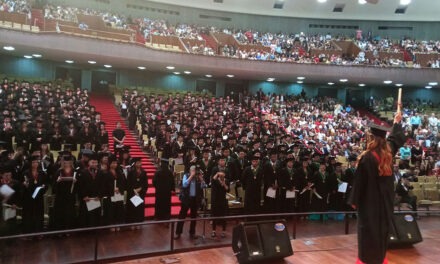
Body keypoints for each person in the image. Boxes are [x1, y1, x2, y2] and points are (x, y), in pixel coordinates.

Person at [349, 111, 405, 264]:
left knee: (368, 233)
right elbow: (396, 140)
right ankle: (379, 259)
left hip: (369, 204)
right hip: (385, 204)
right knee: (381, 232)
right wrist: (397, 122)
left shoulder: (367, 158)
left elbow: (359, 182)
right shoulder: (388, 154)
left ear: (371, 138)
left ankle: (368, 260)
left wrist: (354, 200)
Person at [175, 165, 205, 239]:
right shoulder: (186, 175)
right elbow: (184, 185)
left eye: (195, 170)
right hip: (186, 199)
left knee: (193, 217)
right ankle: (178, 233)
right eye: (193, 170)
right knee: (182, 216)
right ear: (190, 171)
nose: (195, 172)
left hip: (195, 200)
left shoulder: (198, 178)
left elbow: (204, 186)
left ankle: (192, 233)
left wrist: (201, 179)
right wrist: (191, 176)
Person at [125, 157, 148, 227]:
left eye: (140, 162)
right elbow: (128, 183)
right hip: (132, 193)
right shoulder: (131, 172)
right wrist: (134, 190)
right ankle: (132, 223)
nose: (139, 164)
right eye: (137, 163)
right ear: (134, 164)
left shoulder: (144, 172)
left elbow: (145, 183)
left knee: (139, 208)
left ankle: (139, 222)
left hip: (140, 192)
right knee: (132, 208)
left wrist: (141, 189)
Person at [210, 159, 230, 238]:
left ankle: (223, 232)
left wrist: (224, 183)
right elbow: (212, 180)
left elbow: (228, 189)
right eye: (220, 174)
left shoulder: (226, 180)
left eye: (223, 174)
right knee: (214, 215)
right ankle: (213, 231)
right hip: (215, 198)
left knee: (223, 216)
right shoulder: (215, 180)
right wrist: (217, 173)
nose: (222, 175)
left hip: (223, 199)